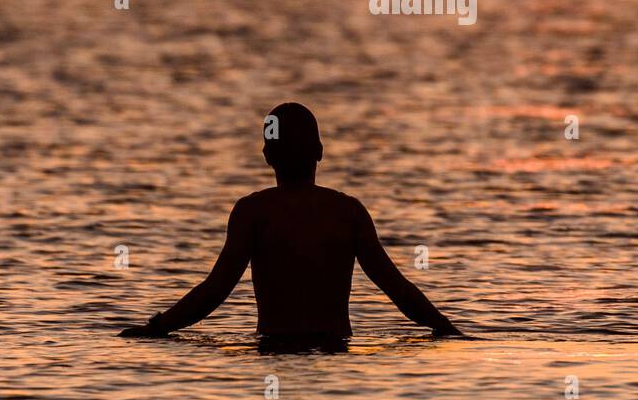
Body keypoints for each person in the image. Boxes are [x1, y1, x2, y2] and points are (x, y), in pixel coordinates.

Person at [119, 103, 462, 344]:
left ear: (267, 156)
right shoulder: (348, 212)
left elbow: (215, 291)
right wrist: (446, 328)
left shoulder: (252, 212)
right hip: (335, 353)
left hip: (273, 348)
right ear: (320, 151)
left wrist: (156, 328)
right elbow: (396, 287)